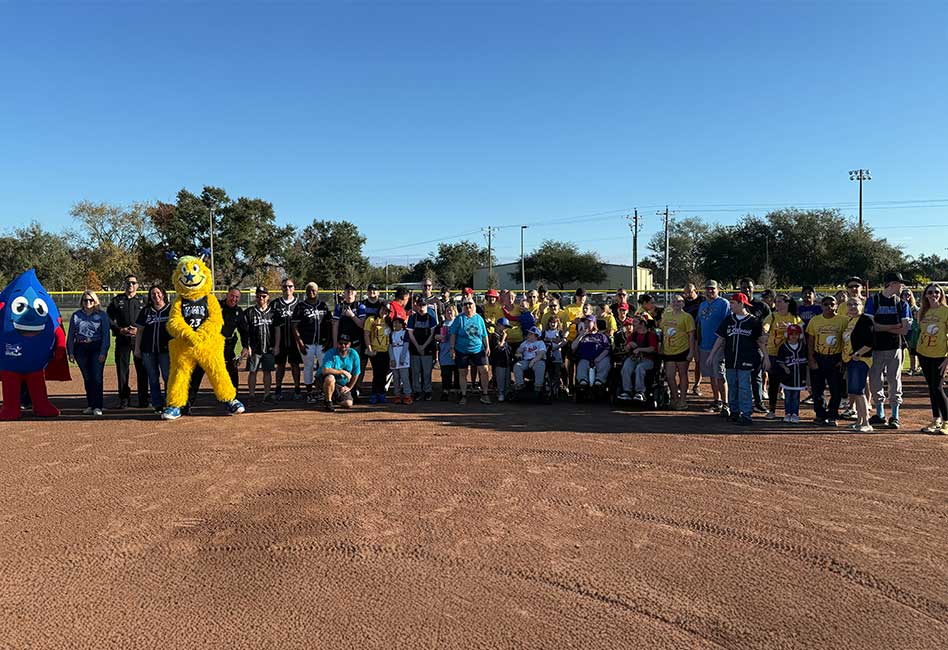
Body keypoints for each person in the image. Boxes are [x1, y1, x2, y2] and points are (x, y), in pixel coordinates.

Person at [710, 292, 769, 425]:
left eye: (733, 303)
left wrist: (766, 357)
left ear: (741, 304)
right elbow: (721, 338)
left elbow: (760, 341)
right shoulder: (729, 320)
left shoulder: (753, 321)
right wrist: (712, 354)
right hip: (731, 359)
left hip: (747, 359)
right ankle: (734, 411)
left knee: (744, 387)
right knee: (732, 385)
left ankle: (746, 414)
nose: (730, 305)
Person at [865, 271, 912, 429]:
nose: (902, 287)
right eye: (900, 284)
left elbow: (904, 330)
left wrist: (883, 328)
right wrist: (894, 327)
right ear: (892, 284)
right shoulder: (874, 300)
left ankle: (895, 415)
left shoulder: (902, 303)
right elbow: (871, 327)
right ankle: (880, 414)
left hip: (895, 348)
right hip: (876, 348)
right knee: (876, 380)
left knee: (894, 380)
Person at [806, 294, 848, 427]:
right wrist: (811, 358)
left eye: (832, 304)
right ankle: (820, 414)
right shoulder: (815, 320)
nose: (829, 306)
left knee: (836, 389)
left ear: (836, 306)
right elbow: (811, 340)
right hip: (819, 356)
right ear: (821, 306)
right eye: (826, 304)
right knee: (817, 389)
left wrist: (843, 359)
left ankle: (832, 415)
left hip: (835, 357)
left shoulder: (843, 320)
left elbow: (846, 340)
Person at [67, 290, 111, 416]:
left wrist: (103, 351)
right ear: (82, 302)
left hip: (96, 346)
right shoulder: (76, 315)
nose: (88, 302)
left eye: (90, 300)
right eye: (85, 300)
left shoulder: (102, 315)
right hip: (81, 348)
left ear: (95, 301)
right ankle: (91, 405)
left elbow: (106, 335)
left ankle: (98, 406)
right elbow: (71, 335)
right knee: (87, 378)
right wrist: (70, 352)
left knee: (97, 377)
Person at [107, 274, 146, 408]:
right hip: (122, 339)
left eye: (133, 283)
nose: (131, 285)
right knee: (122, 370)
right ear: (125, 285)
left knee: (142, 369)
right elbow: (108, 318)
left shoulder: (143, 300)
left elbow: (149, 319)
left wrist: (140, 330)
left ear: (137, 285)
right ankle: (124, 399)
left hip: (139, 340)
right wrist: (119, 329)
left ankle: (143, 399)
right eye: (128, 283)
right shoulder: (117, 301)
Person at [915, 283, 948, 434]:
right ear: (925, 295)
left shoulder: (946, 311)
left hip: (940, 355)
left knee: (937, 387)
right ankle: (936, 419)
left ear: (941, 294)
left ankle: (946, 421)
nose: (933, 294)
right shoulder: (922, 311)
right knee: (931, 387)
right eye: (930, 292)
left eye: (936, 292)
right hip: (923, 353)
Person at [763, 294, 802, 420]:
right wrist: (765, 330)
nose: (777, 304)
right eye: (776, 301)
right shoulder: (773, 316)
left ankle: (791, 412)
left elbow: (802, 329)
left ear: (787, 303)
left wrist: (791, 328)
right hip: (774, 353)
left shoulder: (794, 317)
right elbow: (766, 327)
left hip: (789, 355)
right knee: (773, 383)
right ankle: (772, 410)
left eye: (780, 301)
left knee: (790, 384)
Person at [133, 283, 171, 412]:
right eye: (153, 294)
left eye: (158, 293)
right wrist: (137, 349)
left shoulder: (171, 309)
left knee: (167, 376)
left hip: (166, 350)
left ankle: (169, 402)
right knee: (153, 378)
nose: (156, 296)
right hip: (148, 350)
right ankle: (157, 404)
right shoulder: (146, 311)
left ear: (163, 294)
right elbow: (140, 331)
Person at [292, 282, 332, 403]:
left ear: (317, 291)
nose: (311, 292)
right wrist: (300, 343)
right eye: (309, 290)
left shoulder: (323, 306)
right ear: (306, 292)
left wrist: (329, 341)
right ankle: (309, 392)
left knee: (324, 367)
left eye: (314, 290)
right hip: (307, 343)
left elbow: (330, 325)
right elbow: (294, 326)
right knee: (308, 367)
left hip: (322, 343)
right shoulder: (300, 307)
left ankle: (322, 391)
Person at [840, 296, 875, 432]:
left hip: (860, 360)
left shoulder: (865, 319)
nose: (853, 307)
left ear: (862, 306)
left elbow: (870, 342)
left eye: (856, 304)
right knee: (854, 390)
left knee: (859, 391)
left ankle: (866, 422)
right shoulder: (850, 321)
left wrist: (858, 354)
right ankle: (859, 420)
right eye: (850, 304)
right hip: (850, 360)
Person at [449, 296, 492, 405]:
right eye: (465, 304)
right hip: (462, 350)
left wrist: (487, 346)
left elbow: (484, 334)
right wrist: (452, 348)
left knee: (484, 370)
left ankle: (485, 394)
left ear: (474, 305)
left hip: (478, 349)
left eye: (470, 304)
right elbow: (453, 334)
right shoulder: (459, 319)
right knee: (463, 372)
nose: (468, 306)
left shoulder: (479, 318)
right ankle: (463, 395)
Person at [697, 280, 731, 413]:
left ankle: (725, 402)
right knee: (711, 374)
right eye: (707, 289)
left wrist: (723, 342)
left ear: (718, 289)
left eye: (712, 289)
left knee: (720, 374)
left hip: (719, 345)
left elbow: (728, 324)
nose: (710, 291)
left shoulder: (723, 303)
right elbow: (699, 324)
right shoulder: (703, 305)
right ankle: (716, 400)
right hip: (705, 344)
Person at [739, 277, 771, 413]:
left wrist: (766, 330)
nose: (746, 289)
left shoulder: (761, 306)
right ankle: (742, 403)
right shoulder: (738, 304)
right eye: (743, 287)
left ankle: (758, 402)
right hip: (740, 345)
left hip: (757, 345)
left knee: (757, 376)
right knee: (741, 377)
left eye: (749, 287)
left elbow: (770, 320)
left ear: (753, 288)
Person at [660, 294, 696, 410]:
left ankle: (683, 400)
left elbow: (691, 336)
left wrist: (691, 352)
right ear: (671, 303)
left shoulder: (687, 317)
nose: (676, 303)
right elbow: (662, 331)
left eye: (679, 301)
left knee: (683, 374)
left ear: (683, 304)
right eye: (674, 301)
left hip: (682, 349)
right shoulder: (666, 315)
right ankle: (675, 398)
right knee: (670, 376)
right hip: (668, 350)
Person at [241, 286, 276, 403]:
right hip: (255, 348)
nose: (261, 298)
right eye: (258, 296)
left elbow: (277, 331)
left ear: (268, 297)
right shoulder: (249, 312)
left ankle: (267, 394)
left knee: (267, 371)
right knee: (253, 371)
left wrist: (277, 346)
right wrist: (247, 346)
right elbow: (245, 331)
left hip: (269, 347)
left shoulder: (273, 313)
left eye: (263, 296)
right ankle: (251, 395)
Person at [333, 283, 367, 398]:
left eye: (352, 292)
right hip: (343, 342)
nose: (350, 294)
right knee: (343, 366)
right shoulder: (339, 307)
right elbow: (335, 325)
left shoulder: (360, 306)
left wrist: (352, 315)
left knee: (357, 366)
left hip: (356, 342)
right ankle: (342, 390)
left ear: (356, 293)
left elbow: (362, 325)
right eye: (347, 291)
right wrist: (334, 342)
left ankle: (355, 388)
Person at [271, 278, 302, 401]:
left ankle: (297, 389)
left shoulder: (299, 304)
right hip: (280, 340)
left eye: (290, 286)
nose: (287, 289)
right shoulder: (275, 304)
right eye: (285, 287)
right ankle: (278, 389)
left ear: (294, 288)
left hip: (295, 341)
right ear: (281, 288)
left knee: (295, 365)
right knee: (280, 365)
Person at [774, 324, 808, 424]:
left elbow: (806, 363)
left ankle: (795, 414)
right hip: (787, 377)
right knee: (788, 396)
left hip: (799, 377)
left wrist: (807, 378)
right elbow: (780, 361)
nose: (794, 336)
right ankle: (788, 413)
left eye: (796, 334)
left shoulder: (802, 347)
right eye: (791, 334)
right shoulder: (783, 347)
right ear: (787, 335)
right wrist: (785, 368)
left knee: (796, 397)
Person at [620, 317, 658, 402]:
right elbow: (626, 348)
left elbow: (652, 348)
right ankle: (627, 391)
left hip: (647, 359)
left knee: (640, 368)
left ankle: (640, 392)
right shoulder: (633, 335)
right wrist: (629, 345)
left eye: (635, 322)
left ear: (642, 324)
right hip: (634, 358)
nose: (633, 324)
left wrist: (640, 349)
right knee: (626, 366)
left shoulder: (650, 335)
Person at [407, 295, 437, 401]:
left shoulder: (431, 318)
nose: (421, 307)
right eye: (420, 305)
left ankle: (427, 391)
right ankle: (417, 391)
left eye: (423, 305)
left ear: (427, 306)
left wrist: (423, 346)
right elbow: (410, 334)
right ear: (416, 306)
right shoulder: (412, 318)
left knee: (427, 371)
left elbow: (432, 334)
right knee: (415, 371)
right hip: (415, 349)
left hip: (427, 349)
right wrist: (418, 346)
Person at [321, 333, 361, 412]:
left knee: (348, 403)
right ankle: (328, 402)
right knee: (330, 378)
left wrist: (349, 387)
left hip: (341, 384)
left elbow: (356, 373)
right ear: (337, 344)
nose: (343, 345)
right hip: (325, 380)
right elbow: (325, 370)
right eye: (340, 343)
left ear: (350, 344)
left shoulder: (354, 354)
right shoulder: (331, 353)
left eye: (346, 343)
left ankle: (333, 397)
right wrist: (342, 372)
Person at [364, 300, 391, 405]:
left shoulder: (389, 321)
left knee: (383, 373)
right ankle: (374, 393)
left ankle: (381, 393)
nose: (385, 312)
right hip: (375, 351)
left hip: (386, 351)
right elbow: (366, 334)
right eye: (383, 309)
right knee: (377, 373)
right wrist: (369, 348)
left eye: (387, 310)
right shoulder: (371, 320)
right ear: (379, 309)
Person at [572, 315, 611, 386]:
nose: (586, 324)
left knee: (605, 362)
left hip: (600, 358)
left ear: (594, 323)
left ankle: (599, 380)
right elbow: (573, 348)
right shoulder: (581, 336)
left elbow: (607, 349)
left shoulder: (601, 336)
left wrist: (598, 359)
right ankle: (583, 381)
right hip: (585, 358)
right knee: (582, 365)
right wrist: (580, 335)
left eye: (589, 322)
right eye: (585, 322)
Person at [681, 283, 704, 396]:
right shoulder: (684, 304)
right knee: (685, 361)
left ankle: (697, 385)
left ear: (695, 291)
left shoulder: (702, 301)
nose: (688, 294)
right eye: (686, 292)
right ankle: (684, 384)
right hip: (686, 335)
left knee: (698, 361)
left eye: (690, 292)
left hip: (699, 335)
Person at [388, 314, 412, 404]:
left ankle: (407, 395)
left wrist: (402, 358)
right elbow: (390, 347)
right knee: (396, 378)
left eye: (398, 323)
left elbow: (406, 346)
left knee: (404, 377)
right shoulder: (391, 334)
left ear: (402, 325)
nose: (396, 325)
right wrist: (392, 359)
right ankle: (397, 395)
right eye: (394, 323)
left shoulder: (405, 333)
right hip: (394, 358)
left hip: (403, 358)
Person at [513, 326, 546, 392]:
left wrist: (533, 361)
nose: (528, 335)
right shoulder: (525, 343)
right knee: (517, 365)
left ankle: (538, 386)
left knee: (540, 365)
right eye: (528, 334)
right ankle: (520, 384)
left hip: (537, 360)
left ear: (536, 336)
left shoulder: (540, 343)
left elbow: (541, 354)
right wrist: (520, 350)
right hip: (526, 361)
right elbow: (517, 351)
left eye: (531, 334)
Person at [437, 303, 459, 401]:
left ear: (455, 312)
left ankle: (458, 390)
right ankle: (446, 391)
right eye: (447, 311)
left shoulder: (458, 323)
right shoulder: (442, 324)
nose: (449, 312)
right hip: (444, 352)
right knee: (446, 373)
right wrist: (439, 337)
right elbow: (435, 336)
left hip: (457, 351)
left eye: (451, 310)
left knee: (458, 372)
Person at [543, 313, 567, 394]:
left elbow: (562, 341)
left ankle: (556, 389)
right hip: (547, 356)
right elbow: (542, 342)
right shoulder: (545, 332)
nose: (553, 324)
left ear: (558, 323)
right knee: (548, 373)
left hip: (557, 355)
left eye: (555, 322)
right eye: (551, 322)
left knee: (557, 372)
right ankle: (548, 388)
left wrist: (552, 342)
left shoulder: (559, 332)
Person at [489, 317, 512, 401]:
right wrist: (504, 338)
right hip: (498, 362)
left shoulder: (503, 335)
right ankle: (500, 393)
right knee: (500, 379)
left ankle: (506, 393)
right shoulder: (495, 335)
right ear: (498, 326)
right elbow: (499, 346)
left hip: (506, 360)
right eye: (504, 326)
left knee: (507, 379)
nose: (505, 329)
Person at [901, 288, 921, 375]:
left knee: (912, 351)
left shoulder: (914, 308)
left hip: (912, 331)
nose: (907, 296)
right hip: (901, 330)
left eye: (909, 294)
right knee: (900, 350)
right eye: (905, 294)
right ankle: (900, 367)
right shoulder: (899, 305)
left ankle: (914, 368)